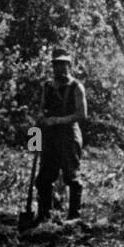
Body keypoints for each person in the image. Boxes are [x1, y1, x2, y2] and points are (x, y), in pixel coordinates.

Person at [25, 47, 88, 230]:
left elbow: (82, 114)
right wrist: (36, 133)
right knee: (43, 178)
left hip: (69, 134)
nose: (59, 69)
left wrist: (58, 120)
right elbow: (41, 109)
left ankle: (74, 216)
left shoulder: (77, 87)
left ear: (69, 66)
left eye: (63, 65)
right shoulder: (48, 86)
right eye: (56, 65)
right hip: (49, 135)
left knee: (72, 176)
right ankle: (44, 214)